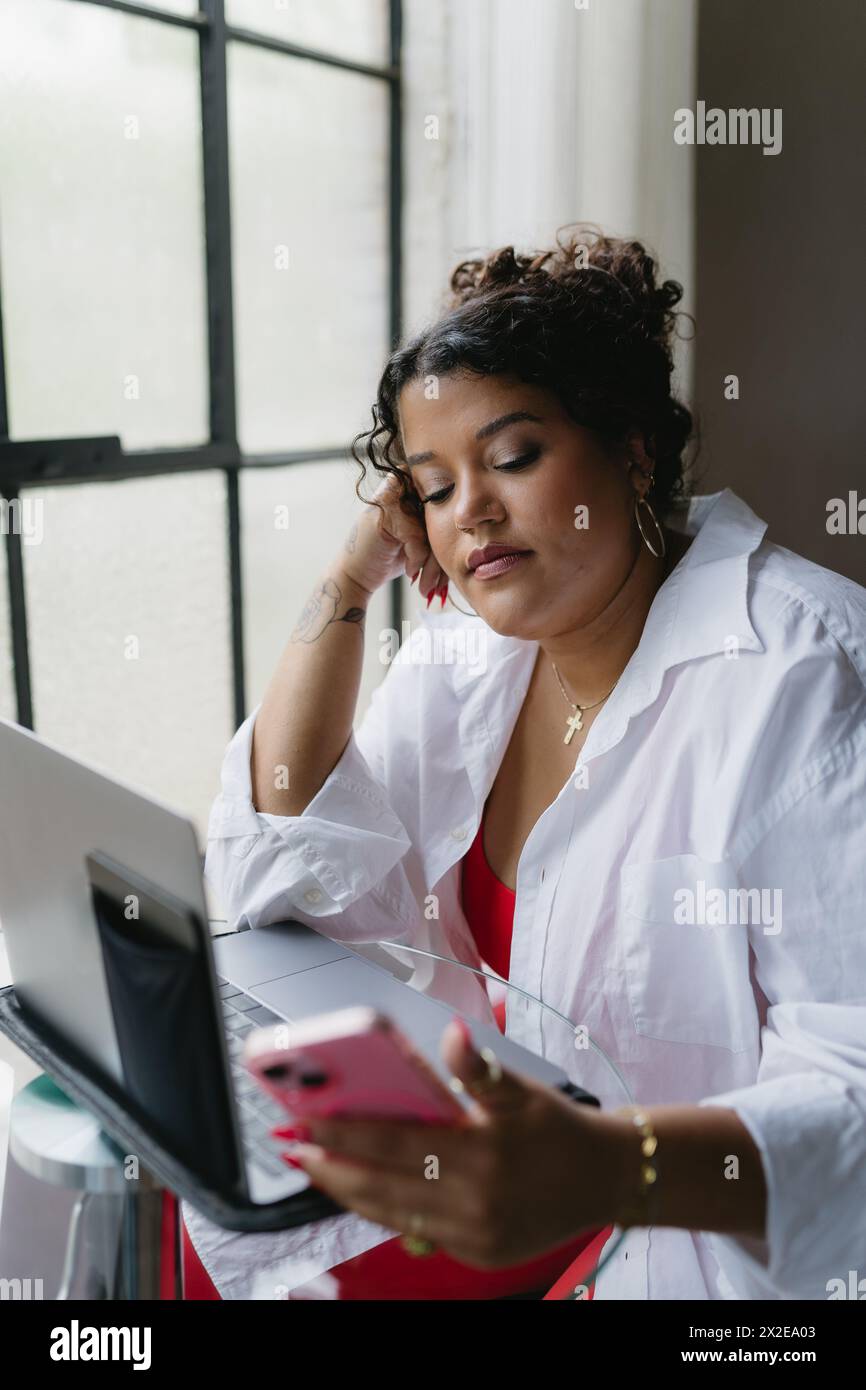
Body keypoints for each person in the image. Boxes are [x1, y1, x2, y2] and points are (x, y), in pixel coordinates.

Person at [187, 224, 866, 1300]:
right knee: (193, 1231)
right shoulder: (470, 659)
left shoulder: (806, 674)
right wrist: (351, 580)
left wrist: (616, 1168)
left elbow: (852, 1102)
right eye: (434, 488)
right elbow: (287, 877)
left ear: (631, 449)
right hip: (528, 1198)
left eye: (510, 458)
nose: (473, 515)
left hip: (714, 1261)